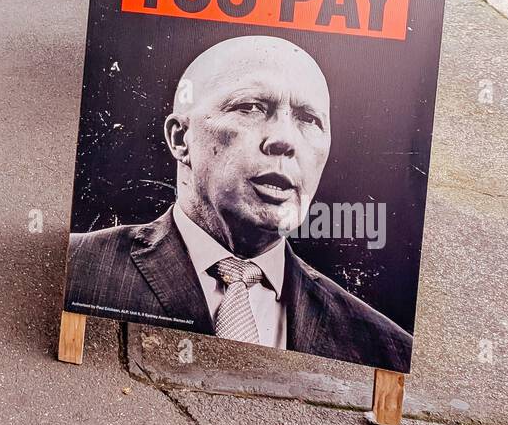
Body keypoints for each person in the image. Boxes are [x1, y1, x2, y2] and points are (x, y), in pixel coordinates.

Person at [64, 35, 413, 372]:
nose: (284, 140)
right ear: (180, 138)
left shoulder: (383, 346)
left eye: (309, 119)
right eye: (251, 107)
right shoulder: (78, 268)